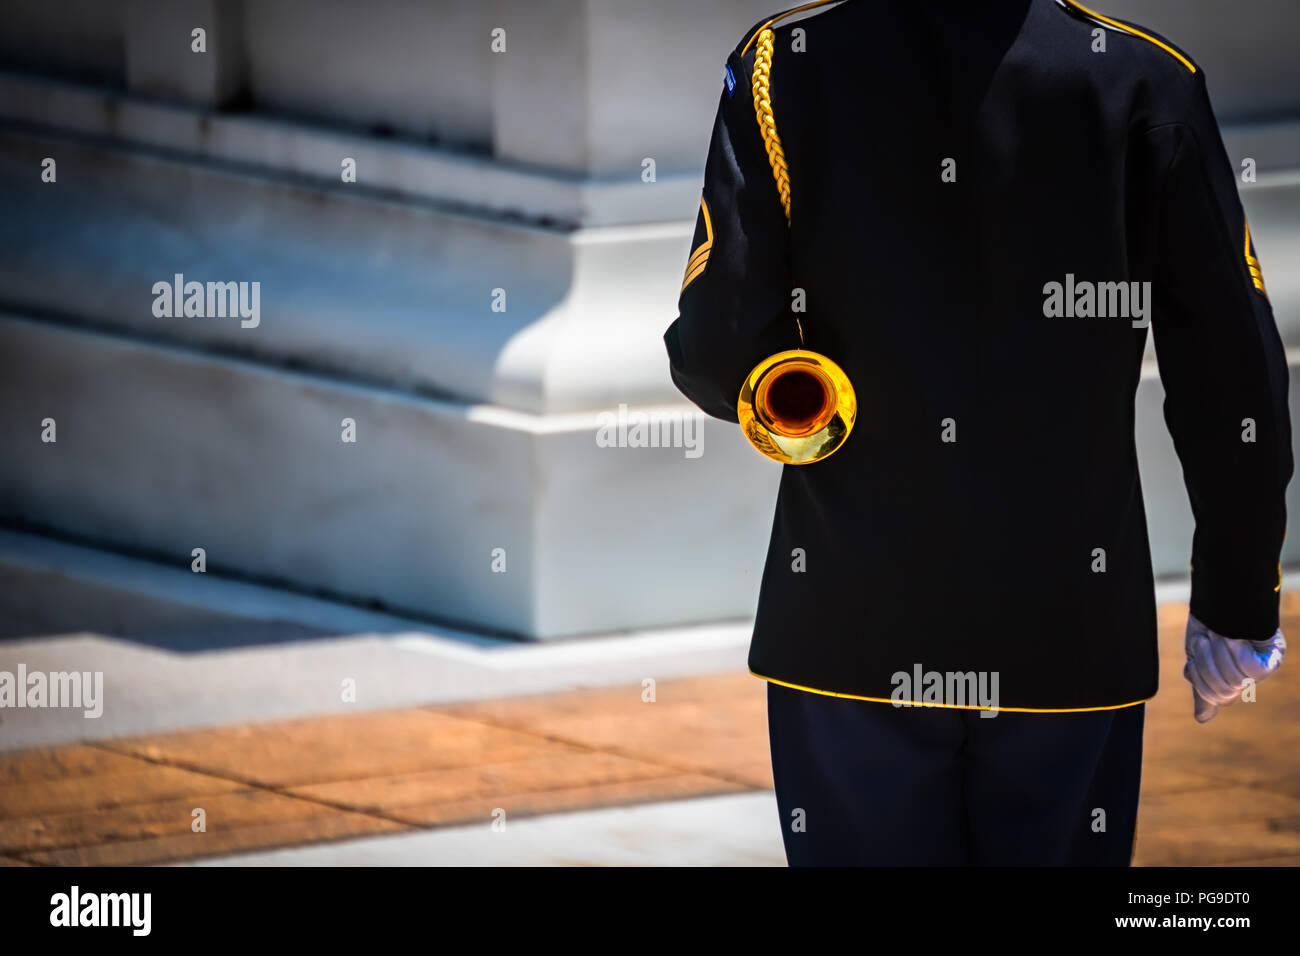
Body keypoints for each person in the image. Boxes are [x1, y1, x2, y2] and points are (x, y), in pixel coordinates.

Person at [663, 0, 1291, 866]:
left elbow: (716, 343)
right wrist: (1237, 597)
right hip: (1070, 633)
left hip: (852, 628)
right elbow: (1235, 371)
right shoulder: (1146, 77)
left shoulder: (788, 61)